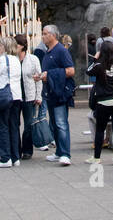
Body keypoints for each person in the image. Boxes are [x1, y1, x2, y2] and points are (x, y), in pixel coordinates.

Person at [38, 25, 76, 165]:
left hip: (60, 92)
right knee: (54, 123)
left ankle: (65, 153)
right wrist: (42, 76)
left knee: (61, 123)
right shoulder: (48, 51)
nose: (42, 36)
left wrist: (51, 75)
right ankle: (59, 151)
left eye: (45, 33)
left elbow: (71, 70)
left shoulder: (61, 51)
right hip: (51, 92)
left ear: (53, 35)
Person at [0, 37, 24, 168]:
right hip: (16, 96)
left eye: (0, 45)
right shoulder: (17, 60)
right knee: (14, 126)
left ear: (4, 47)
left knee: (2, 126)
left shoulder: (2, 59)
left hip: (5, 95)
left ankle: (5, 157)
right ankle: (15, 157)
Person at [88, 41, 113, 165]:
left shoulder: (99, 65)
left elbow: (88, 71)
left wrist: (95, 58)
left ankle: (97, 157)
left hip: (104, 102)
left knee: (100, 130)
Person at [16, 35, 44, 160]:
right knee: (14, 124)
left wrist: (38, 96)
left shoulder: (33, 59)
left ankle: (27, 150)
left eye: (16, 45)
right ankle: (16, 149)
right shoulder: (12, 60)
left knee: (28, 125)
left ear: (22, 46)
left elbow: (39, 79)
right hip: (15, 97)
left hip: (29, 96)